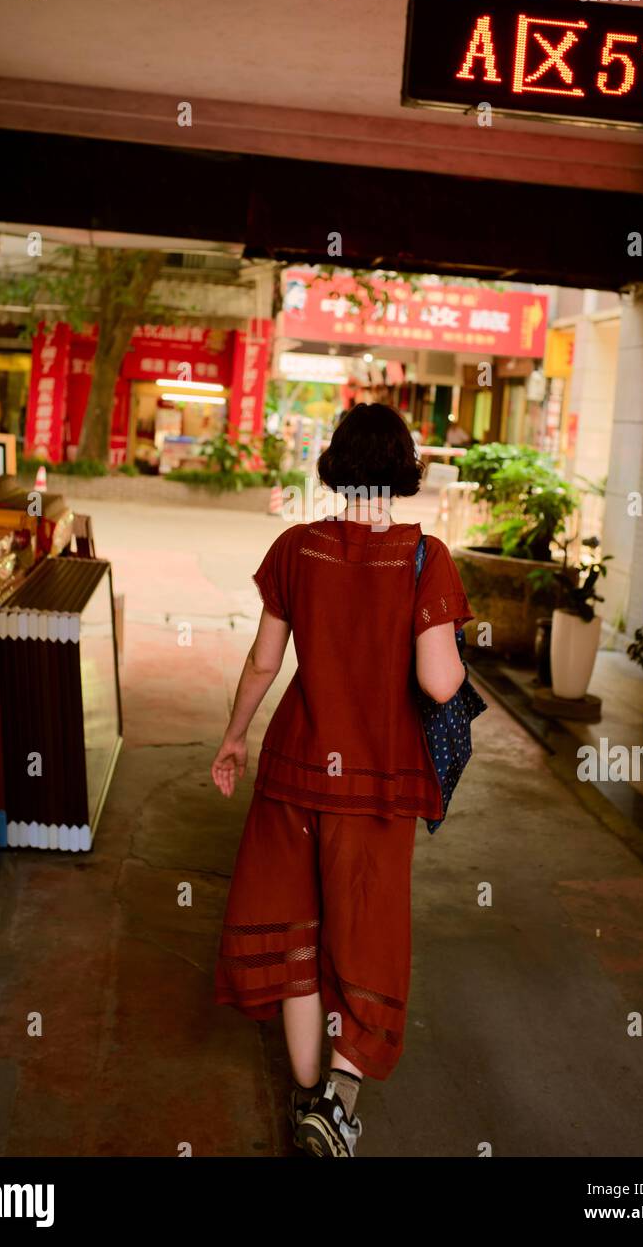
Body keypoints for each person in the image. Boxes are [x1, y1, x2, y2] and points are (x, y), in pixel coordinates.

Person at [211, 403, 473, 1157]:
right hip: (379, 782)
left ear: (334, 464)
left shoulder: (297, 548)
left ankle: (306, 1097)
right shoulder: (426, 558)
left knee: (297, 927)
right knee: (367, 929)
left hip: (295, 769)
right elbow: (439, 681)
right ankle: (337, 1099)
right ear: (402, 469)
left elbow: (263, 663)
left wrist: (233, 740)